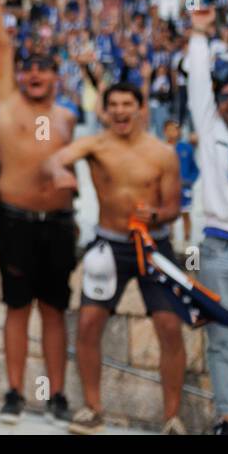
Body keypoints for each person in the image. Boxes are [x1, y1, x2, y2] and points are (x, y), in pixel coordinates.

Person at [46, 84, 185, 435]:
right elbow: (54, 159)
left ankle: (172, 418)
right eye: (114, 106)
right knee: (90, 321)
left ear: (141, 109)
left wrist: (155, 214)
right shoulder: (95, 145)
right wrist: (63, 175)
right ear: (105, 112)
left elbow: (173, 207)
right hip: (108, 243)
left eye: (128, 104)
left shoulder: (162, 153)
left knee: (169, 327)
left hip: (153, 245)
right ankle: (93, 409)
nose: (121, 111)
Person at [0, 0, 77, 424]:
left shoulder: (67, 117)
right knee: (18, 308)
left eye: (44, 68)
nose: (35, 73)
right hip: (17, 220)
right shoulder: (8, 104)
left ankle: (57, 395)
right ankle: (16, 391)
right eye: (30, 67)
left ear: (57, 77)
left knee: (55, 310)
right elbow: (2, 46)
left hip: (58, 223)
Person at [184, 6, 228, 435]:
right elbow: (198, 86)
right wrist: (200, 35)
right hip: (218, 247)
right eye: (226, 97)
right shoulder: (208, 124)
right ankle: (227, 419)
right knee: (222, 341)